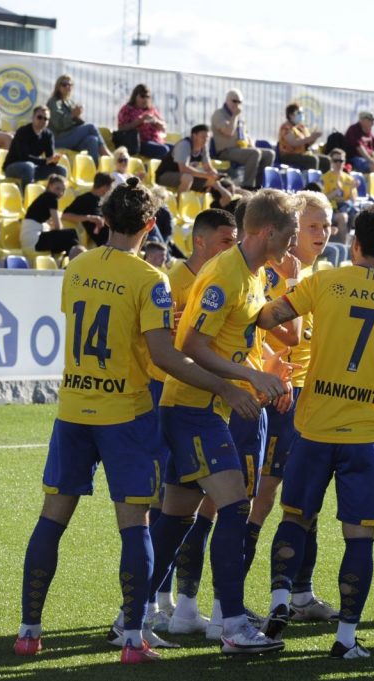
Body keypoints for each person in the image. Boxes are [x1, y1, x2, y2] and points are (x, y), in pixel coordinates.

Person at [14, 178, 262, 664]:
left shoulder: (77, 267)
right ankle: (132, 640)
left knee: (51, 520)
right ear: (150, 225)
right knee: (135, 527)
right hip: (125, 415)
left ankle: (28, 632)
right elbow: (164, 357)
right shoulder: (151, 280)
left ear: (104, 220)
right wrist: (225, 386)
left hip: (72, 412)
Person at [258, 203, 374, 660]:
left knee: (295, 517)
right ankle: (345, 639)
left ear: (354, 243)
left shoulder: (324, 281)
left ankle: (280, 603)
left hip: (314, 426)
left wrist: (292, 286)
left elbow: (271, 318)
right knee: (358, 534)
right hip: (366, 434)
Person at [152, 189, 302, 656]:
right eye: (293, 232)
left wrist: (306, 300)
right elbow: (190, 342)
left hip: (206, 407)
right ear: (268, 231)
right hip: (195, 407)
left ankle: (130, 614)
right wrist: (243, 378)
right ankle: (232, 624)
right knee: (235, 504)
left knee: (175, 517)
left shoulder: (255, 274)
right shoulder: (225, 274)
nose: (294, 242)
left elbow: (259, 325)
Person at [140, 208, 240, 636]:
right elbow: (159, 344)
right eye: (224, 240)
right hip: (172, 397)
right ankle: (159, 603)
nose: (230, 248)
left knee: (198, 506)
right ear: (200, 241)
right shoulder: (172, 281)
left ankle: (178, 604)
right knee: (163, 502)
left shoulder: (234, 278)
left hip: (215, 399)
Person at [246, 192, 339, 625]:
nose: (323, 234)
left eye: (328, 225)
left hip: (311, 398)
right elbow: (252, 328)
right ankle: (227, 602)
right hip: (278, 395)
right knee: (259, 502)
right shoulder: (268, 272)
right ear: (291, 227)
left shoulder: (323, 275)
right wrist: (269, 370)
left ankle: (300, 594)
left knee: (306, 501)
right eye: (314, 226)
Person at [211, 89, 275, 190]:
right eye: (234, 101)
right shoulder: (219, 114)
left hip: (241, 149)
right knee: (255, 153)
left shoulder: (239, 117)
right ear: (227, 100)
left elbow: (246, 135)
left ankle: (259, 186)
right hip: (226, 150)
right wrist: (235, 116)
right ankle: (248, 187)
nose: (237, 104)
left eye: (239, 102)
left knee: (269, 154)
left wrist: (251, 143)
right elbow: (229, 132)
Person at [46, 75, 110, 163]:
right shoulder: (54, 102)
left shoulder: (69, 102)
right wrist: (72, 115)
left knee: (92, 140)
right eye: (64, 84)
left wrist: (78, 117)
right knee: (91, 127)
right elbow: (59, 125)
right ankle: (107, 155)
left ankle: (95, 170)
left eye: (70, 84)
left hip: (70, 137)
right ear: (58, 86)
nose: (67, 86)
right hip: (58, 139)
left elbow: (76, 124)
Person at [4, 106, 68, 189]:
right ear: (33, 117)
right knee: (29, 166)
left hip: (34, 167)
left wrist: (54, 160)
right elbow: (23, 157)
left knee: (61, 170)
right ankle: (27, 196)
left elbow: (49, 159)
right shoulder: (23, 131)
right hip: (13, 167)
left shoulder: (48, 135)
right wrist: (46, 161)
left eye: (46, 119)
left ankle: (50, 196)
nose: (42, 120)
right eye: (39, 117)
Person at [156, 124, 228, 196]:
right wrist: (206, 175)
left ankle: (216, 201)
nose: (206, 139)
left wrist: (215, 175)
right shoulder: (184, 145)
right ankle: (178, 204)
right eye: (203, 137)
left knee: (211, 181)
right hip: (164, 176)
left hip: (184, 176)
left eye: (208, 137)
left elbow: (208, 167)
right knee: (188, 178)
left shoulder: (203, 147)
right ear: (194, 136)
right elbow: (183, 169)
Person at [19, 174, 80, 257]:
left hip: (30, 239)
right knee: (71, 234)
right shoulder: (51, 197)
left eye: (63, 190)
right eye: (57, 188)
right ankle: (76, 260)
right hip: (34, 240)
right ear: (50, 186)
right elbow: (58, 227)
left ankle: (72, 260)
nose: (60, 192)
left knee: (68, 242)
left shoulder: (44, 197)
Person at [117, 84, 171, 159]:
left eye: (147, 97)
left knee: (176, 149)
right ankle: (160, 170)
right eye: (142, 96)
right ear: (135, 96)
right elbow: (121, 128)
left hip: (156, 141)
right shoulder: (127, 109)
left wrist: (155, 121)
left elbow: (164, 126)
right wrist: (140, 121)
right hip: (139, 142)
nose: (145, 99)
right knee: (163, 150)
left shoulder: (151, 110)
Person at [62, 172, 114, 246]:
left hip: (114, 236)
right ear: (104, 187)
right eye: (110, 187)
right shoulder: (84, 199)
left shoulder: (104, 200)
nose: (110, 190)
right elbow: (65, 215)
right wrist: (89, 218)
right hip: (106, 241)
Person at [275, 102, 328, 172]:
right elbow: (294, 143)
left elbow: (307, 143)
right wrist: (310, 138)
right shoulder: (286, 127)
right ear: (291, 115)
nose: (302, 115)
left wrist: (314, 137)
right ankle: (310, 182)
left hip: (302, 154)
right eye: (299, 113)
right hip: (289, 156)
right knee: (312, 160)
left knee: (326, 161)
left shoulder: (300, 127)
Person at [321, 149, 359, 243]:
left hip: (346, 208)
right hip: (330, 209)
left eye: (341, 161)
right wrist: (336, 191)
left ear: (344, 162)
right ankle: (344, 247)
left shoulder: (349, 179)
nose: (338, 163)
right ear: (331, 162)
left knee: (361, 216)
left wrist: (351, 189)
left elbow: (353, 200)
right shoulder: (325, 178)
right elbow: (323, 199)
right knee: (343, 217)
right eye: (335, 161)